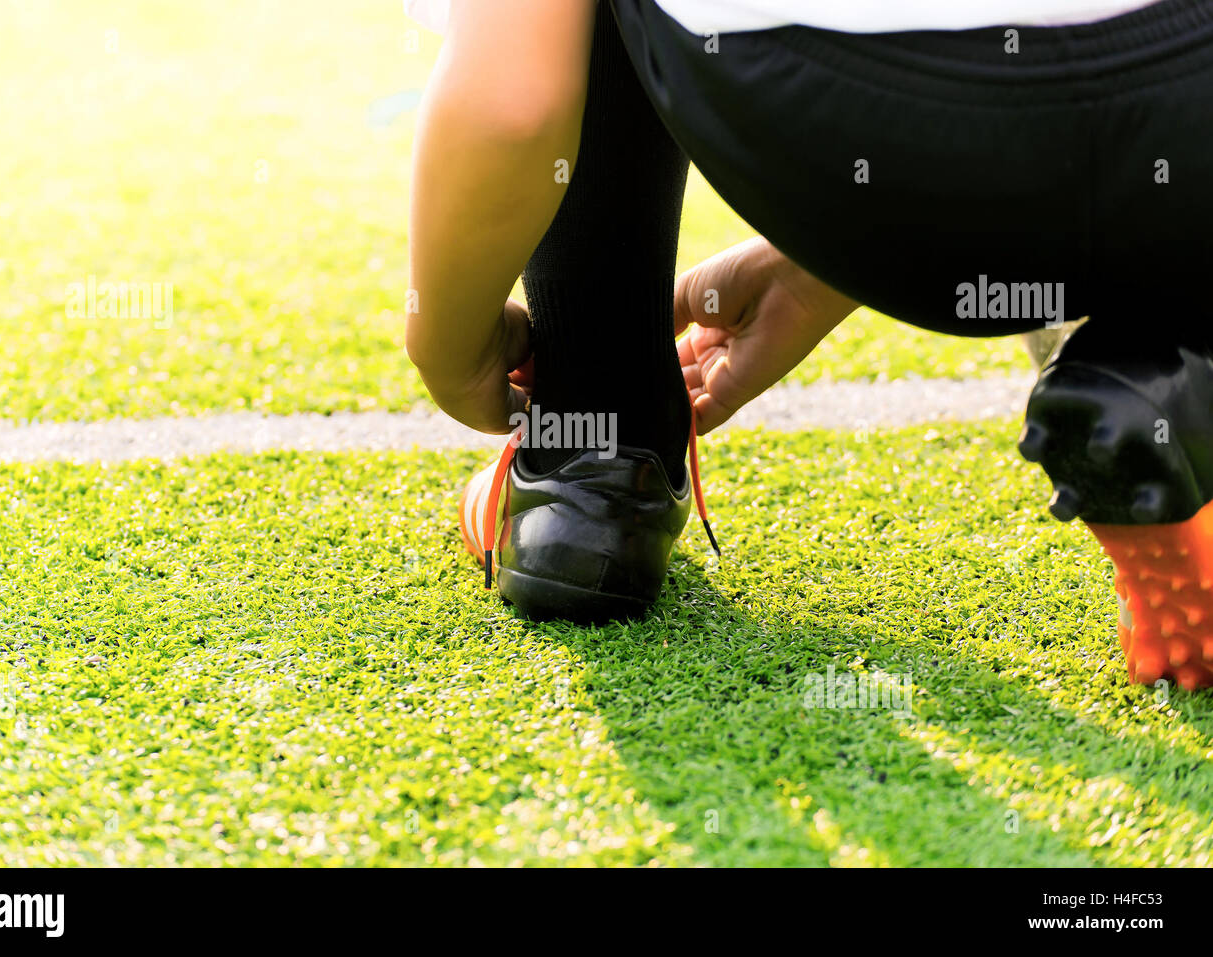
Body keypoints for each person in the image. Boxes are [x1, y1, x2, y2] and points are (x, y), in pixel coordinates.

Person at [404, 0, 1213, 688]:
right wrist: (815, 271)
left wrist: (448, 343)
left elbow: (511, 106)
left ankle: (595, 454)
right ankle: (1165, 379)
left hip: (831, 114)